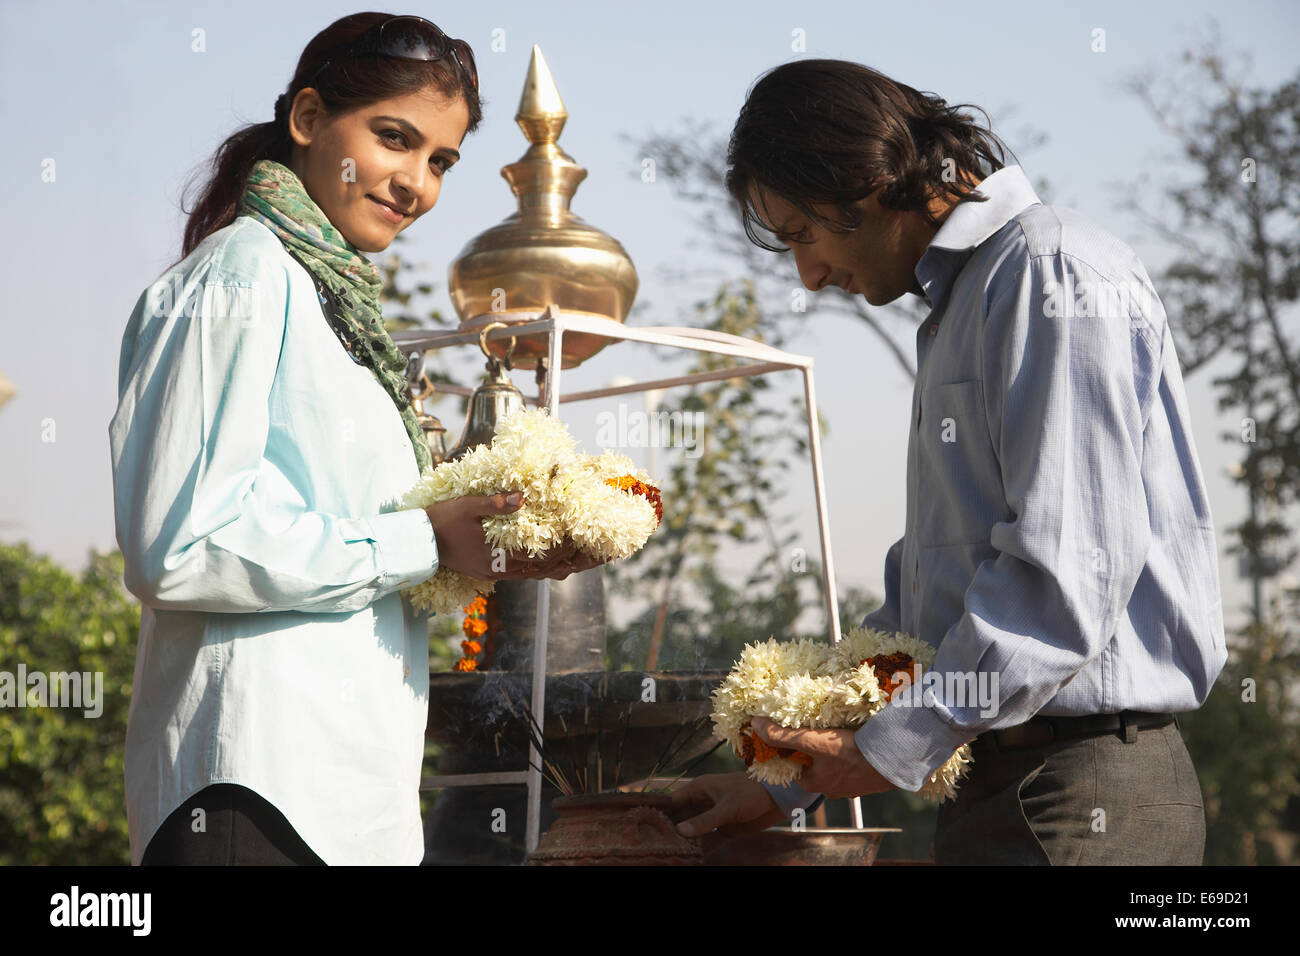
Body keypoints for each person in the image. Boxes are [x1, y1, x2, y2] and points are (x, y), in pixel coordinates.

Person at [669, 60, 1227, 865]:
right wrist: (784, 779)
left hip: (1078, 790)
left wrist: (888, 748)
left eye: (804, 233)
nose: (810, 273)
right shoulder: (966, 304)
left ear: (866, 179)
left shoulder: (1049, 273)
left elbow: (1062, 576)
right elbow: (931, 613)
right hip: (1001, 781)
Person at [109, 13, 599, 866]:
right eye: (394, 139)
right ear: (306, 120)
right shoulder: (243, 274)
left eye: (439, 161)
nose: (416, 182)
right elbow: (178, 543)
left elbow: (339, 529)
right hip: (254, 789)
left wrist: (472, 546)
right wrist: (419, 539)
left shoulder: (338, 305)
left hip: (349, 800)